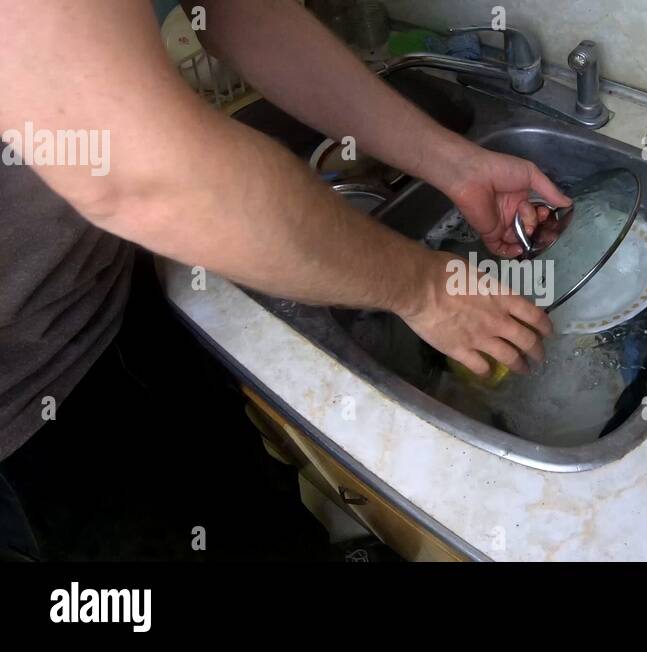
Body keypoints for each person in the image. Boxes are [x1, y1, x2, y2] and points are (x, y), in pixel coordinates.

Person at [0, 0, 569, 558]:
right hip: (26, 407)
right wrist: (425, 289)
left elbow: (242, 11)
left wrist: (456, 166)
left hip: (99, 288)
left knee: (254, 507)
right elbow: (139, 177)